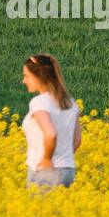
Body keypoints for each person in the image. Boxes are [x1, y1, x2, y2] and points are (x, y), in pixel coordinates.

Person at [21, 53, 81, 189]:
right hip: (68, 171)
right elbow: (77, 139)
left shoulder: (39, 102)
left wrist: (47, 160)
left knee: (38, 210)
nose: (24, 81)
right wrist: (63, 158)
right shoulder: (70, 102)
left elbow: (50, 134)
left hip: (45, 171)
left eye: (26, 76)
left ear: (39, 77)